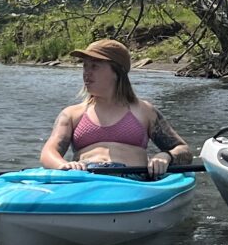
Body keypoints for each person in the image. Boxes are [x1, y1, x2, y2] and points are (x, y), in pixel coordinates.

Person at [39, 38, 191, 177]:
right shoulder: (71, 114)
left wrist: (165, 156)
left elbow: (184, 151)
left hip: (132, 179)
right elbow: (48, 152)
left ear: (117, 72)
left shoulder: (145, 111)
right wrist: (63, 165)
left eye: (94, 66)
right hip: (86, 179)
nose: (87, 73)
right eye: (85, 66)